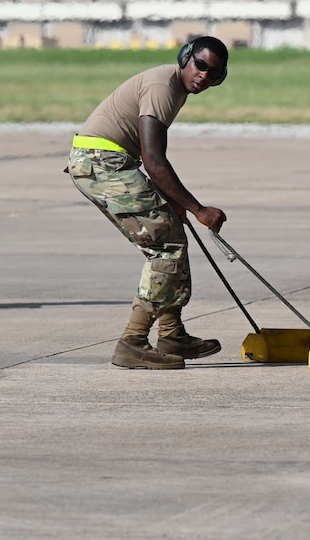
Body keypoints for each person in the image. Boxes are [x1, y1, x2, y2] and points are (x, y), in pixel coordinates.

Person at [68, 36, 230, 370]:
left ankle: (172, 335)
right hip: (102, 161)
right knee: (166, 247)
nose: (204, 76)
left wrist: (178, 203)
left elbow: (154, 159)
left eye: (213, 73)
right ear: (186, 58)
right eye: (200, 65)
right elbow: (153, 160)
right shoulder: (162, 85)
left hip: (107, 162)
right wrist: (198, 209)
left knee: (173, 239)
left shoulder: (175, 88)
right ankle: (133, 342)